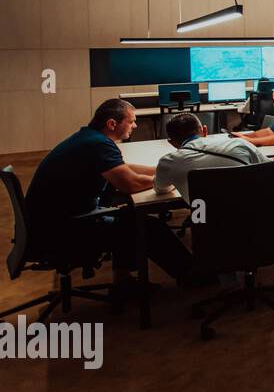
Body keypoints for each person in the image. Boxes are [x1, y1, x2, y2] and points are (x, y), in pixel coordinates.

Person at [24, 98, 191, 281]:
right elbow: (131, 184)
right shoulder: (99, 144)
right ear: (112, 124)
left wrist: (163, 168)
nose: (135, 125)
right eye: (131, 121)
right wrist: (168, 179)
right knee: (148, 226)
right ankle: (193, 277)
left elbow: (122, 167)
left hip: (45, 226)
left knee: (129, 215)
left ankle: (123, 280)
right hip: (61, 231)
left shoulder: (90, 138)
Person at [154, 112, 274, 285]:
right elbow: (273, 173)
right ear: (204, 130)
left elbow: (160, 189)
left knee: (198, 212)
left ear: (171, 142)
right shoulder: (239, 144)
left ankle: (229, 283)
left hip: (212, 226)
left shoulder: (169, 161)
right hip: (261, 219)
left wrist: (177, 178)